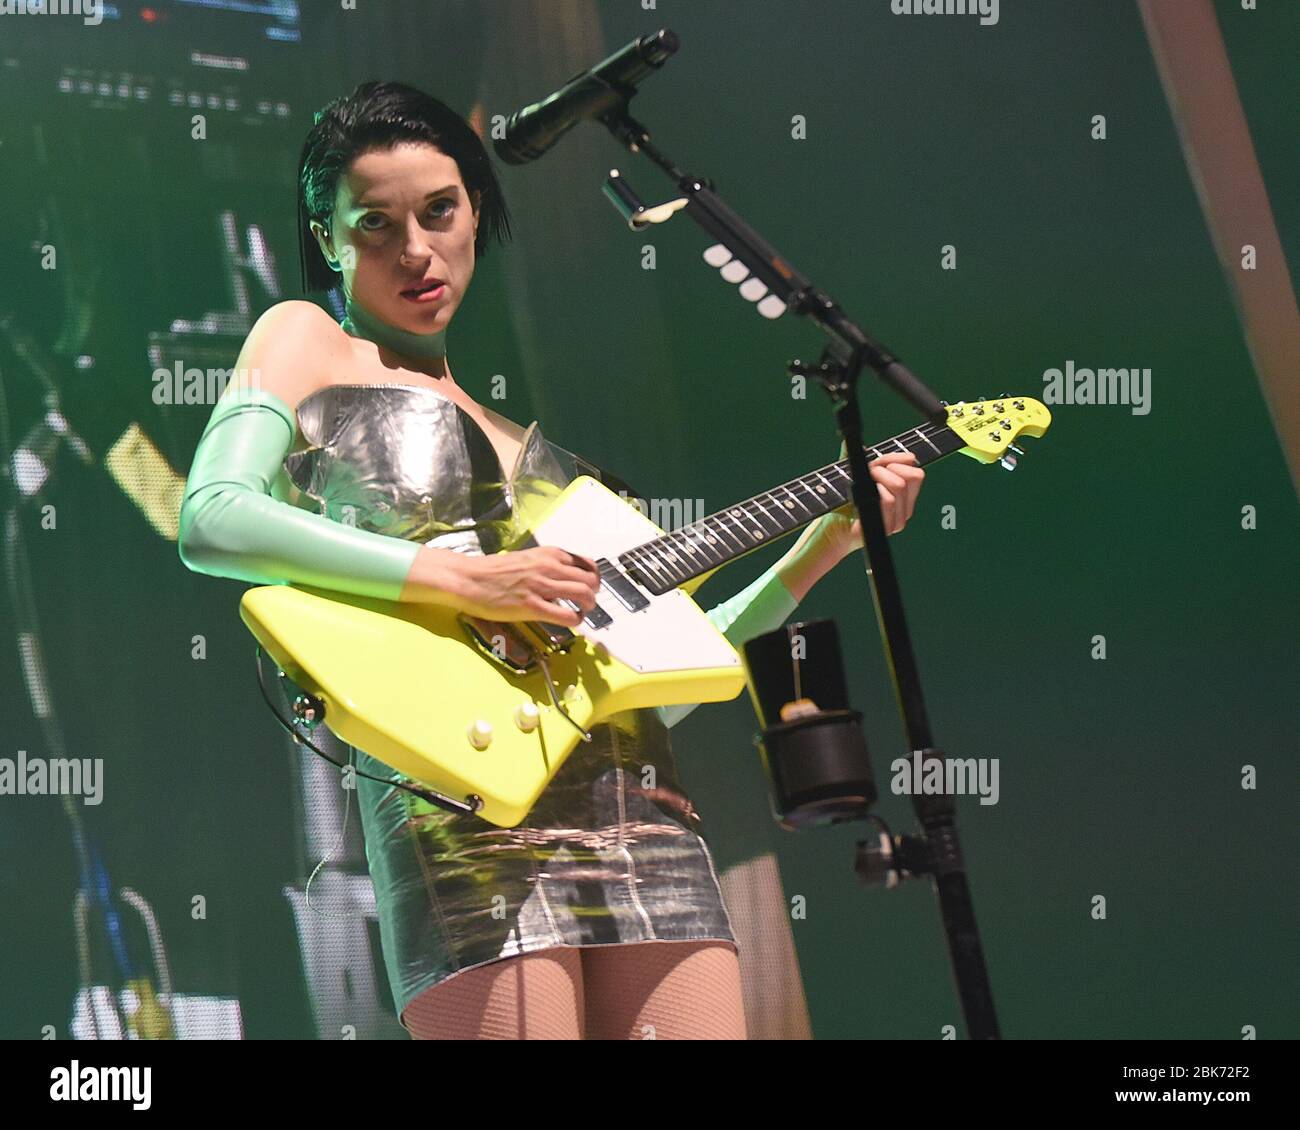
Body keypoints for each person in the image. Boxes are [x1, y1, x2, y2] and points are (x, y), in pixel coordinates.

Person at [178, 81, 924, 1040]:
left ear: (476, 211)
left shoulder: (555, 468)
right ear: (327, 240)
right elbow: (213, 516)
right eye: (374, 224)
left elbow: (672, 685)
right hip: (462, 820)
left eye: (440, 211)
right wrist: (466, 578)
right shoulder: (307, 340)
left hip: (649, 817)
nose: (416, 250)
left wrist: (823, 550)